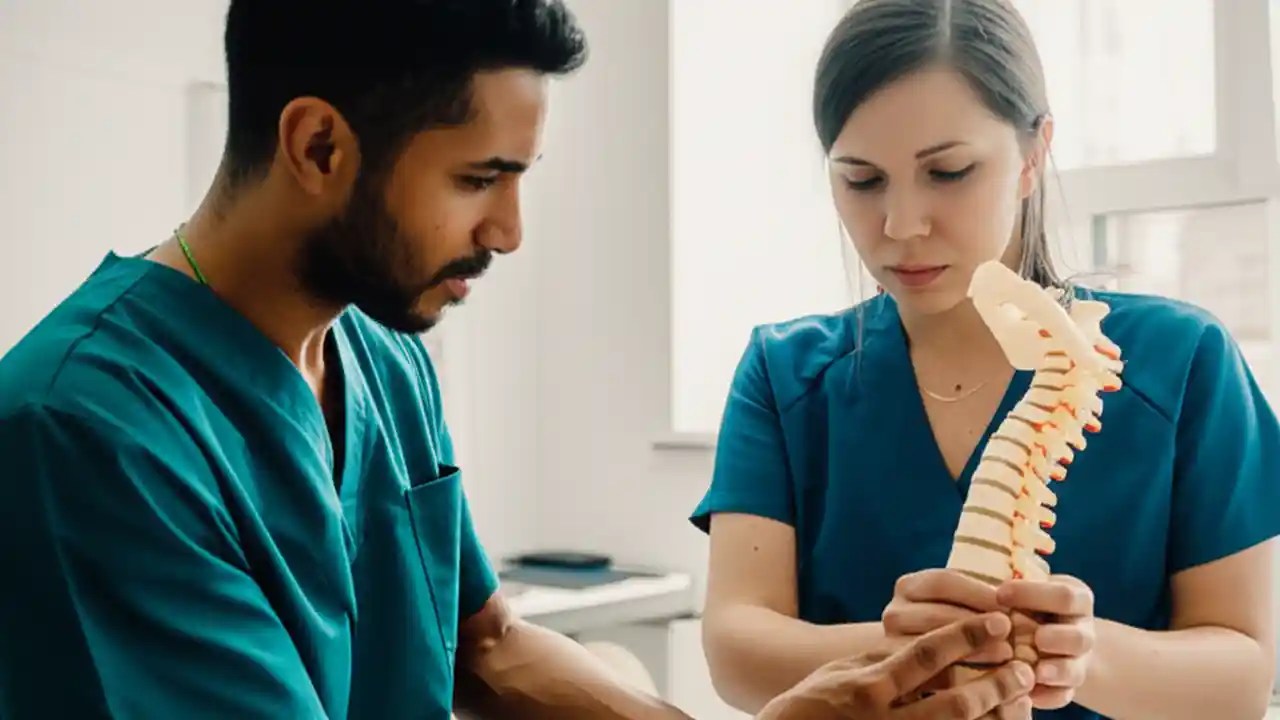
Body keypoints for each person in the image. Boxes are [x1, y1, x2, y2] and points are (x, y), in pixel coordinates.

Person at [0, 1, 1039, 718]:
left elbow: (483, 648)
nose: (507, 232)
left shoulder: (381, 355)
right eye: (479, 178)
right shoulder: (84, 431)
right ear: (318, 146)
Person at [691, 1, 1280, 719]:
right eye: (862, 180)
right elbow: (736, 649)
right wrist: (907, 645)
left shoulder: (1183, 364)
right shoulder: (784, 376)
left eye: (949, 171)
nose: (901, 226)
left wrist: (1082, 655)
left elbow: (1244, 676)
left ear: (1033, 156)